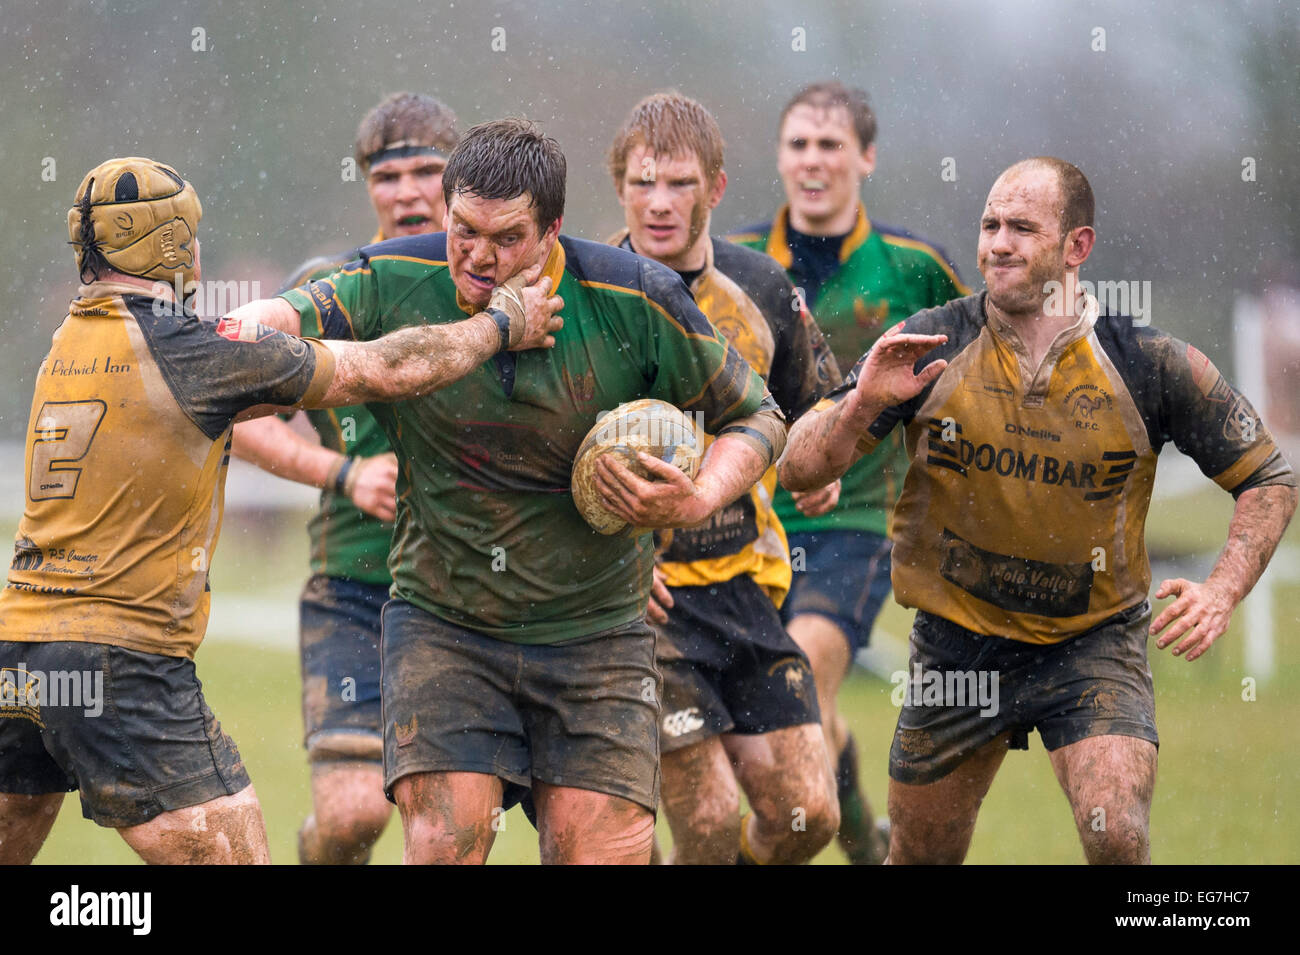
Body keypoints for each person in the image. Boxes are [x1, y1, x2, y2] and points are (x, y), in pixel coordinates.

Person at [223, 118, 786, 865]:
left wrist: (696, 496)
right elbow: (281, 322)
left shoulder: (633, 298)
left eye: (507, 237)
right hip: (447, 626)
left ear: (552, 228)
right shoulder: (396, 277)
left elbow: (759, 415)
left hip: (597, 635)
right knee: (447, 846)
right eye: (464, 230)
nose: (479, 255)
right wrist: (249, 324)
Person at [0, 156, 562, 864]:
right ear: (173, 242)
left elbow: (233, 400)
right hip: (121, 654)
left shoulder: (70, 342)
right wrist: (499, 326)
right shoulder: (191, 350)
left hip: (18, 655)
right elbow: (381, 370)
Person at [778, 157, 1298, 864]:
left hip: (1091, 641)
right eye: (990, 224)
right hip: (957, 642)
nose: (997, 243)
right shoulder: (930, 343)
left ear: (1077, 247)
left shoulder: (1148, 363)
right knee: (920, 856)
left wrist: (1224, 589)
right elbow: (800, 465)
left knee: (1116, 835)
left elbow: (1268, 474)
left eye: (1022, 227)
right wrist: (862, 403)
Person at [730, 80, 969, 863]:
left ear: (865, 157)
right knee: (790, 708)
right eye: (798, 143)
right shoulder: (733, 264)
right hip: (749, 521)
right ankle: (863, 833)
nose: (813, 160)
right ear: (778, 156)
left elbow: (980, 377)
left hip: (857, 524)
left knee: (794, 676)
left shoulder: (916, 269)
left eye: (831, 144)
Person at [607, 92, 843, 864]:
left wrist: (821, 466)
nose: (660, 203)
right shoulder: (581, 291)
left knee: (809, 816)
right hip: (643, 603)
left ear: (716, 187)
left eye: (679, 183)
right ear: (620, 188)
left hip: (746, 585)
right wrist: (600, 562)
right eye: (643, 184)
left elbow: (818, 408)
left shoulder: (765, 289)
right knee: (706, 820)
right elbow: (537, 446)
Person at [231, 92, 458, 865]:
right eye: (387, 176)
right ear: (366, 185)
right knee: (354, 817)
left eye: (428, 171)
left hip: (474, 594)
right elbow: (240, 418)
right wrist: (342, 470)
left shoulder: (493, 287)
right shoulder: (330, 287)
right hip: (354, 583)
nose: (409, 192)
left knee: (454, 826)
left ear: (459, 178)